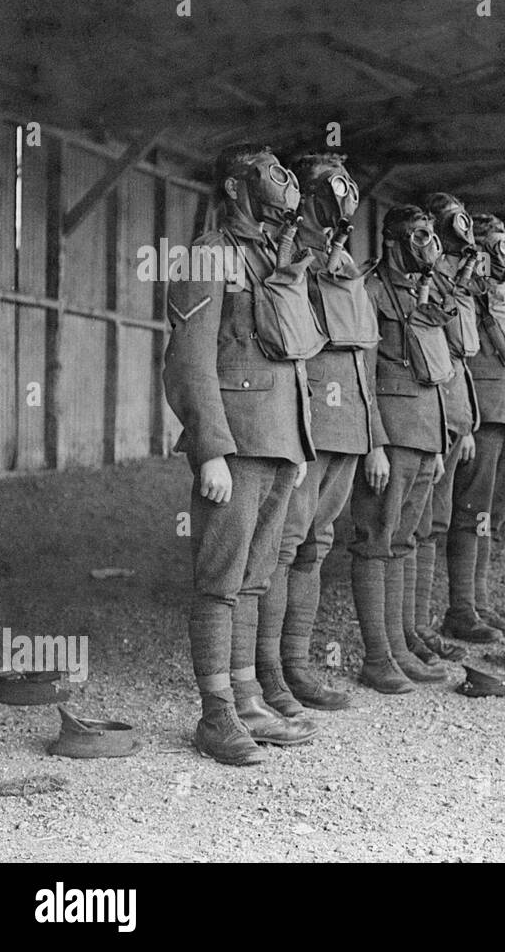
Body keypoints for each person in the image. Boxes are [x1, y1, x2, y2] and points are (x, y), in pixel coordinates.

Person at [163, 143, 322, 765]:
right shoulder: (209, 255)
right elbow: (188, 361)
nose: (286, 182)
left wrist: (300, 441)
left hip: (279, 443)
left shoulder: (274, 256)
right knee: (221, 581)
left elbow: (294, 361)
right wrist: (209, 451)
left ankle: (251, 699)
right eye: (272, 174)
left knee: (255, 579)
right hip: (237, 443)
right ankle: (216, 715)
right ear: (236, 187)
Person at [256, 152, 377, 717]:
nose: (341, 198)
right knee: (281, 548)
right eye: (329, 189)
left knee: (314, 547)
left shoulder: (343, 262)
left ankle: (296, 666)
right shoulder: (280, 254)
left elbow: (364, 355)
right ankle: (267, 674)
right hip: (307, 424)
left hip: (347, 425)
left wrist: (372, 436)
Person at [349, 205, 451, 693]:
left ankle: (398, 647)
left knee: (405, 541)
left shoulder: (422, 292)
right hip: (392, 435)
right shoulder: (369, 291)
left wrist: (443, 437)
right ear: (393, 242)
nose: (428, 245)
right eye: (418, 236)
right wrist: (374, 444)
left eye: (430, 235)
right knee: (376, 540)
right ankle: (377, 657)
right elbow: (362, 375)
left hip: (425, 434)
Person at [444, 212, 505, 642]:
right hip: (483, 411)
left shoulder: (501, 294)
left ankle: (478, 604)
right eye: (494, 246)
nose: (503, 255)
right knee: (473, 510)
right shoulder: (465, 289)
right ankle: (462, 609)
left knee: (493, 511)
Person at [409, 193, 482, 661]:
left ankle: (421, 627)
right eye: (449, 251)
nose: (457, 261)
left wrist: (466, 422)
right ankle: (409, 632)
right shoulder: (427, 285)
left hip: (453, 415)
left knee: (433, 524)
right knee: (413, 529)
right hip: (429, 417)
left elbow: (463, 353)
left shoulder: (456, 287)